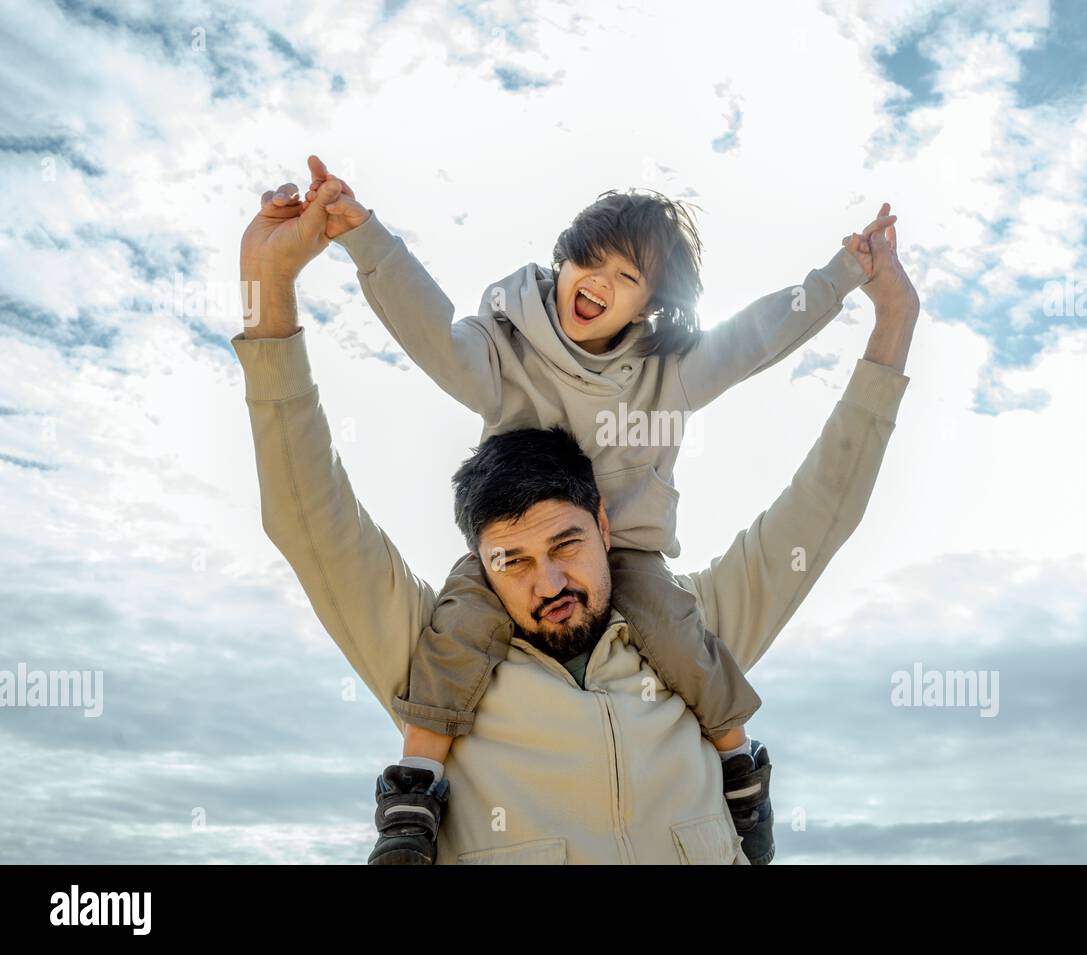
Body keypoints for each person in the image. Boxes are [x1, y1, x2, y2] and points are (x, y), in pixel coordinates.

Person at [235, 165, 919, 864]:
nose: (551, 579)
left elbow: (764, 362)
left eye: (627, 277)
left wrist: (857, 285)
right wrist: (342, 252)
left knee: (685, 639)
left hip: (642, 565)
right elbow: (323, 488)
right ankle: (414, 788)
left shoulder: (670, 403)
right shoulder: (503, 356)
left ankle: (740, 765)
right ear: (562, 260)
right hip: (479, 590)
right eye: (590, 261)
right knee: (460, 628)